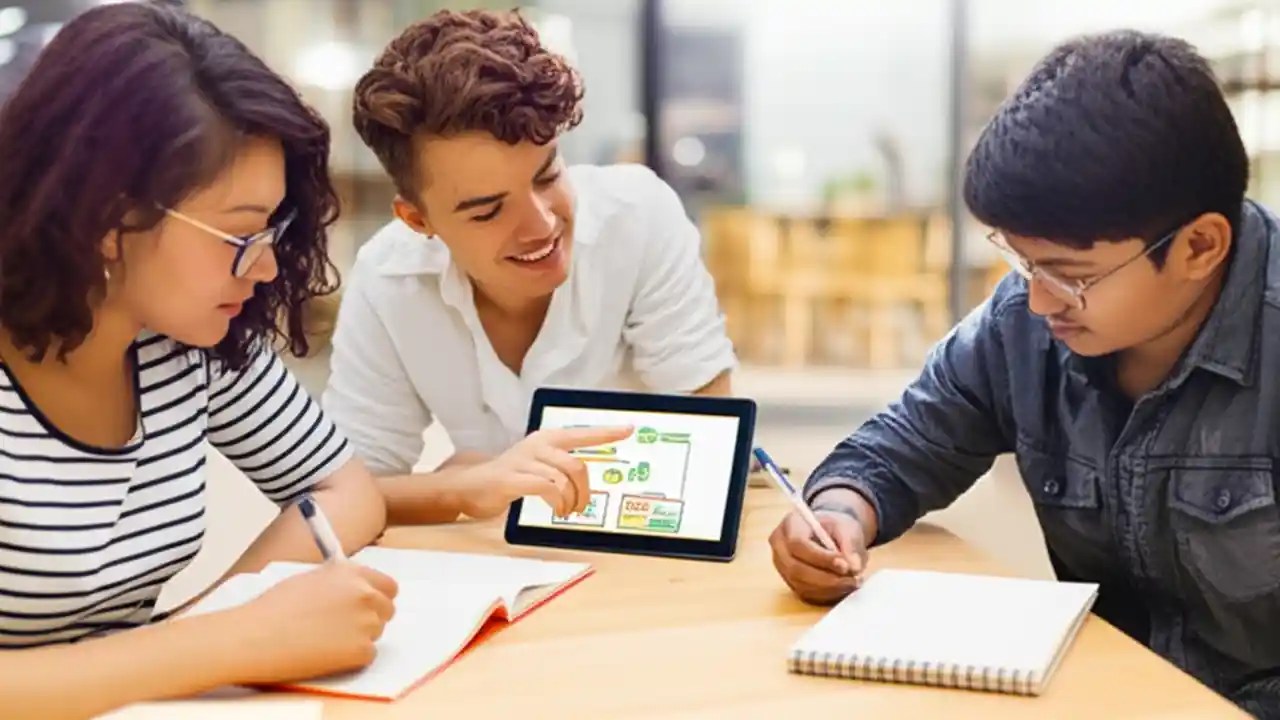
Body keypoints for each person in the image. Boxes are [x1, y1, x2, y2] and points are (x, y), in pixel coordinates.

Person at [769, 30, 1280, 718]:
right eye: (1022, 263)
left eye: (1070, 276)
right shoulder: (1027, 319)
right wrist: (837, 515)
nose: (1037, 300)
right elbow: (906, 442)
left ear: (1199, 246)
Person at [0, 4, 403, 717]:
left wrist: (215, 629)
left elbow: (345, 490)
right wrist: (230, 642)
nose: (265, 266)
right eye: (239, 234)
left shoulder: (187, 341)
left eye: (273, 228)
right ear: (108, 217)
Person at [322, 9, 735, 525]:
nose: (540, 225)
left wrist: (454, 484)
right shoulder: (388, 279)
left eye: (547, 176)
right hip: (495, 571)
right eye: (488, 210)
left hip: (646, 558)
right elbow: (343, 492)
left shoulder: (639, 218)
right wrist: (464, 489)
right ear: (417, 219)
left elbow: (715, 448)